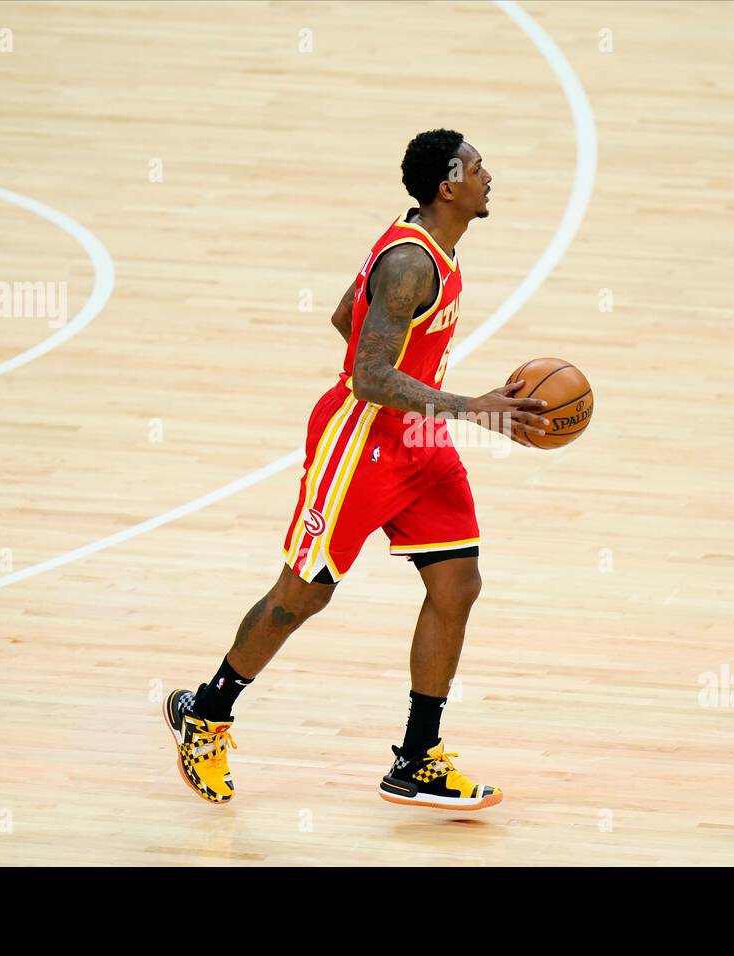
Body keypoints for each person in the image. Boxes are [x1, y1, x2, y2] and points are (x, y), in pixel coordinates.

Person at [164, 129, 550, 810]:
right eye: (478, 168)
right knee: (303, 595)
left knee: (458, 583)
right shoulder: (410, 263)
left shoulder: (433, 244)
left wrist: (425, 396)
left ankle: (416, 758)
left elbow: (348, 314)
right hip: (363, 443)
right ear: (446, 186)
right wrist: (467, 406)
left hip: (418, 438)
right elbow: (370, 376)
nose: (490, 176)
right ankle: (208, 710)